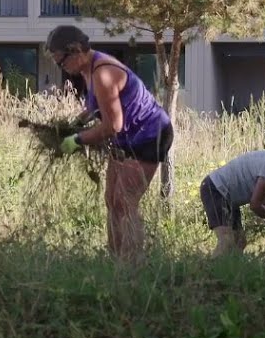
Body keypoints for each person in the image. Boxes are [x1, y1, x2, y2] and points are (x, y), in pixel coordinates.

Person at [47, 25, 173, 262]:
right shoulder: (88, 68)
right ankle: (115, 261)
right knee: (111, 200)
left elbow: (112, 126)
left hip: (150, 134)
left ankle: (132, 267)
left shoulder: (103, 73)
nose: (60, 67)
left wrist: (77, 139)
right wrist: (79, 120)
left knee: (125, 202)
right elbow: (97, 104)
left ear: (75, 51)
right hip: (127, 136)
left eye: (60, 61)